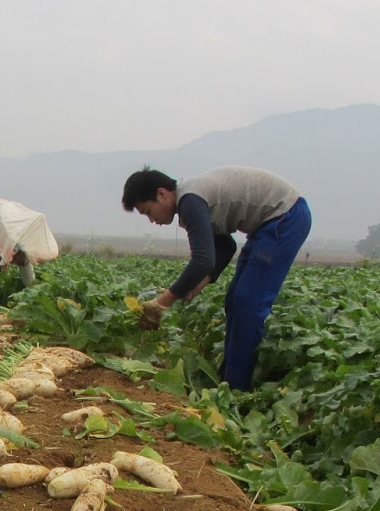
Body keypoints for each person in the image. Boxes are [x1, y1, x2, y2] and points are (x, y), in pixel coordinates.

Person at [120, 166, 311, 390]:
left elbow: (202, 259)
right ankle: (227, 380)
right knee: (234, 300)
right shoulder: (191, 199)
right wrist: (204, 280)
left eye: (148, 211)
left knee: (247, 303)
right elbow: (225, 245)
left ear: (162, 193)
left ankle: (236, 389)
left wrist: (162, 303)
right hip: (269, 224)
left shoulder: (190, 201)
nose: (152, 220)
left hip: (285, 217)